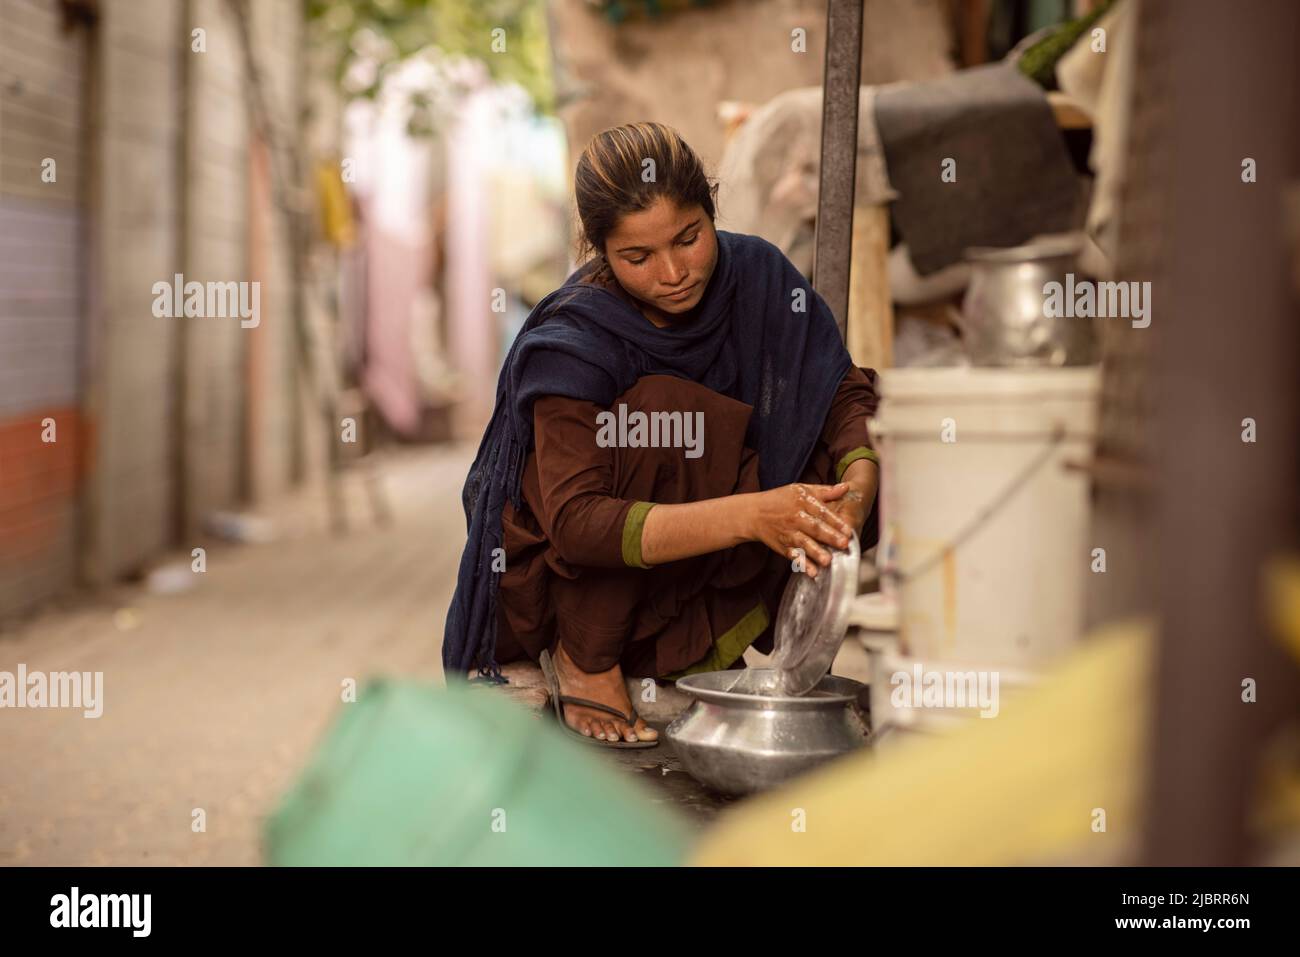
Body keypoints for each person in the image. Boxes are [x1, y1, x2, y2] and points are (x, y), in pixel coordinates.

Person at [443, 122, 881, 747]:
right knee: (662, 418)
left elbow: (838, 392)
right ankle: (585, 662)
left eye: (689, 238)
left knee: (872, 435)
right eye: (638, 258)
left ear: (711, 209)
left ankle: (698, 652)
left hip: (692, 568)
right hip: (575, 582)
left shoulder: (756, 275)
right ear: (598, 251)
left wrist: (855, 492)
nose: (674, 272)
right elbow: (576, 522)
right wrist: (754, 515)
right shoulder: (576, 342)